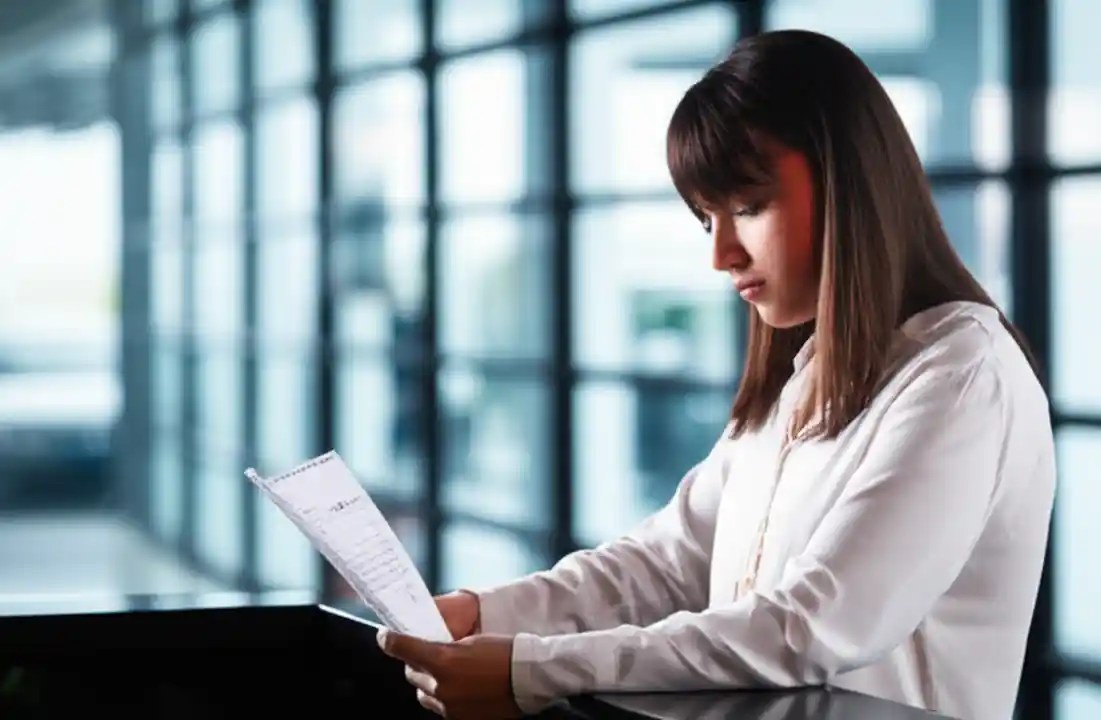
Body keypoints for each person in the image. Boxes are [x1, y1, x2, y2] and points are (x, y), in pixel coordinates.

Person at [377, 28, 1057, 720]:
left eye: (749, 206)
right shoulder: (801, 382)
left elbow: (809, 626)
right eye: (709, 219)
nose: (723, 255)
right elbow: (664, 564)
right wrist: (483, 612)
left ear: (849, 180)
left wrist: (533, 669)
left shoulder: (962, 375)